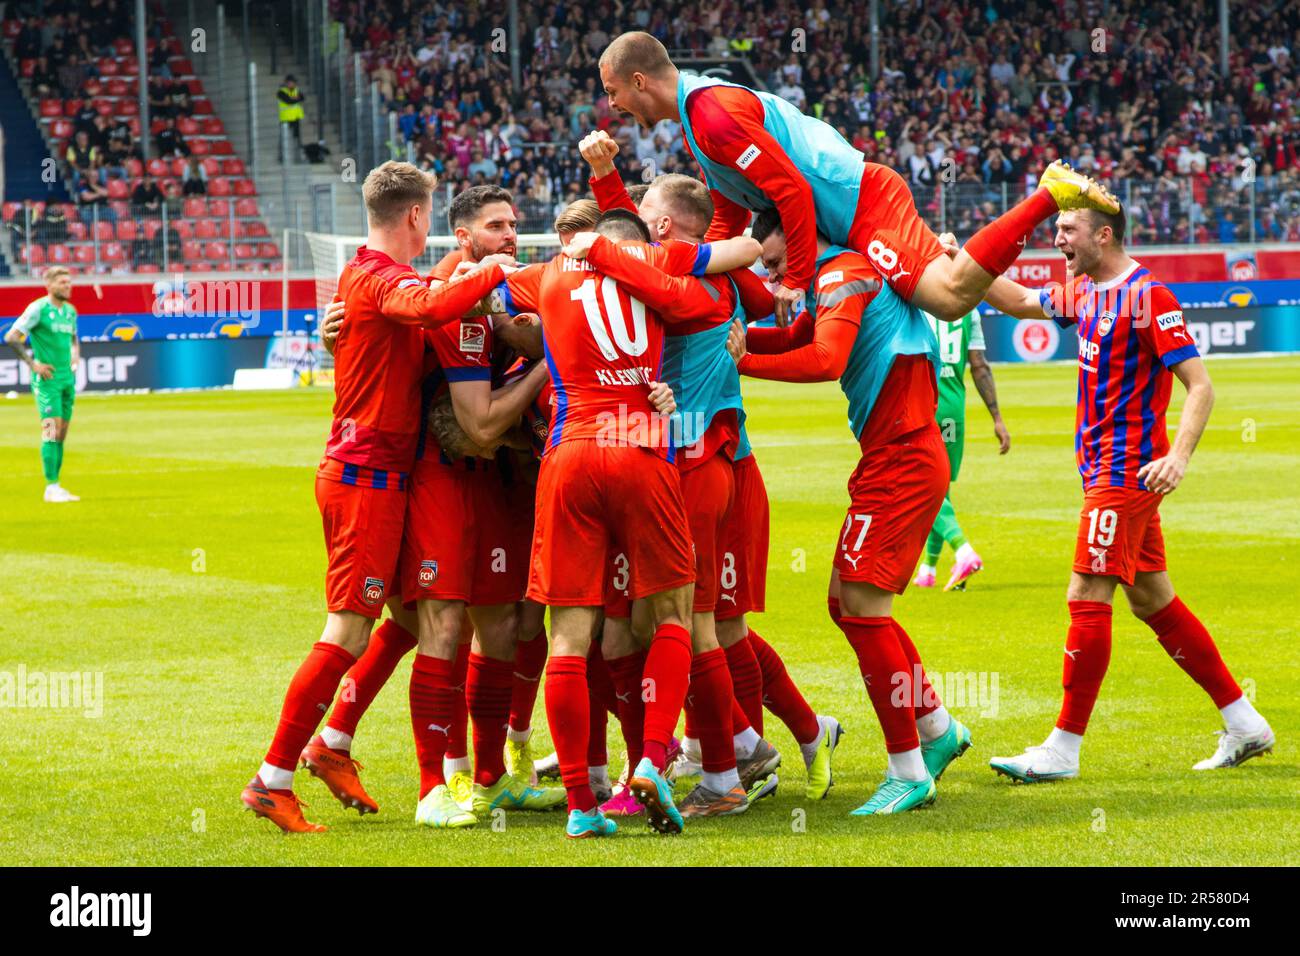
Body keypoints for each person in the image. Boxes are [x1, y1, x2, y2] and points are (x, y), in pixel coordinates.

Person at [240, 162, 511, 833]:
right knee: (347, 628)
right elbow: (428, 306)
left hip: (382, 478)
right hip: (365, 477)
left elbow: (418, 317)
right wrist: (502, 270)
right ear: (418, 216)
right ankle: (273, 778)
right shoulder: (381, 278)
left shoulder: (375, 280)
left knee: (416, 621)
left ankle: (333, 744)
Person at [959, 207, 1275, 780]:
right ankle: (1245, 722)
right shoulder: (1084, 290)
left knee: (1086, 591)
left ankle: (1064, 747)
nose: (1057, 239)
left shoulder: (1146, 296)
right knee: (1153, 599)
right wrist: (959, 259)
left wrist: (1177, 457)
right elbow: (1016, 301)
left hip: (1126, 472)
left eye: (1067, 230)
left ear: (1103, 234)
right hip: (1100, 469)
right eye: (1056, 230)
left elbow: (1200, 386)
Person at [489, 210, 760, 837]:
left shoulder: (546, 271)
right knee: (675, 615)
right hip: (641, 442)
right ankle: (655, 759)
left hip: (571, 448)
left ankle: (583, 803)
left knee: (567, 637)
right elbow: (742, 250)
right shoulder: (658, 263)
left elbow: (489, 289)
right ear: (639, 242)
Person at [596, 32, 1120, 326]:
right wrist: (706, 268)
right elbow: (730, 209)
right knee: (964, 288)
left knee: (950, 299)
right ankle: (1061, 302)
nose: (612, 105)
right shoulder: (697, 115)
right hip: (855, 203)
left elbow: (793, 192)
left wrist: (796, 281)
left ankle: (1049, 193)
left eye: (612, 91)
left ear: (639, 80)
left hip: (863, 203)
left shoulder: (711, 117)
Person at [727, 208, 974, 815]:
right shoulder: (840, 269)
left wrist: (742, 360)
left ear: (796, 229)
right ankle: (938, 729)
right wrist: (721, 338)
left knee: (863, 611)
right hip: (895, 453)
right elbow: (797, 336)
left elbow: (824, 359)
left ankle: (906, 769)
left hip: (903, 456)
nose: (770, 267)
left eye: (773, 253)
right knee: (846, 604)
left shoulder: (844, 270)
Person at [912, 304, 1011, 591]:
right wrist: (997, 418)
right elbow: (979, 366)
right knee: (940, 487)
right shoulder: (969, 311)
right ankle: (928, 570)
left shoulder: (917, 302)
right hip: (952, 411)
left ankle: (963, 551)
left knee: (923, 485)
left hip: (924, 404)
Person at [5, 266, 81, 502]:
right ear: (49, 286)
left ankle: (57, 486)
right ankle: (51, 486)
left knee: (61, 433)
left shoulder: (70, 311)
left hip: (67, 379)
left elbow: (73, 338)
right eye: (62, 283)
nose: (67, 286)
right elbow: (11, 336)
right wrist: (33, 364)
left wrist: (75, 354)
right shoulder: (38, 309)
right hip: (46, 381)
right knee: (50, 431)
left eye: (68, 282)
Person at [278, 75, 306, 158]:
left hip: (295, 118)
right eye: (291, 82)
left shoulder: (296, 90)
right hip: (285, 118)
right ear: (287, 83)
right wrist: (295, 98)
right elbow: (288, 101)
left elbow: (302, 97)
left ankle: (298, 156)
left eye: (293, 82)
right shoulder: (281, 91)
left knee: (297, 138)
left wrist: (294, 99)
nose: (292, 84)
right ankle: (282, 156)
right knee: (283, 139)